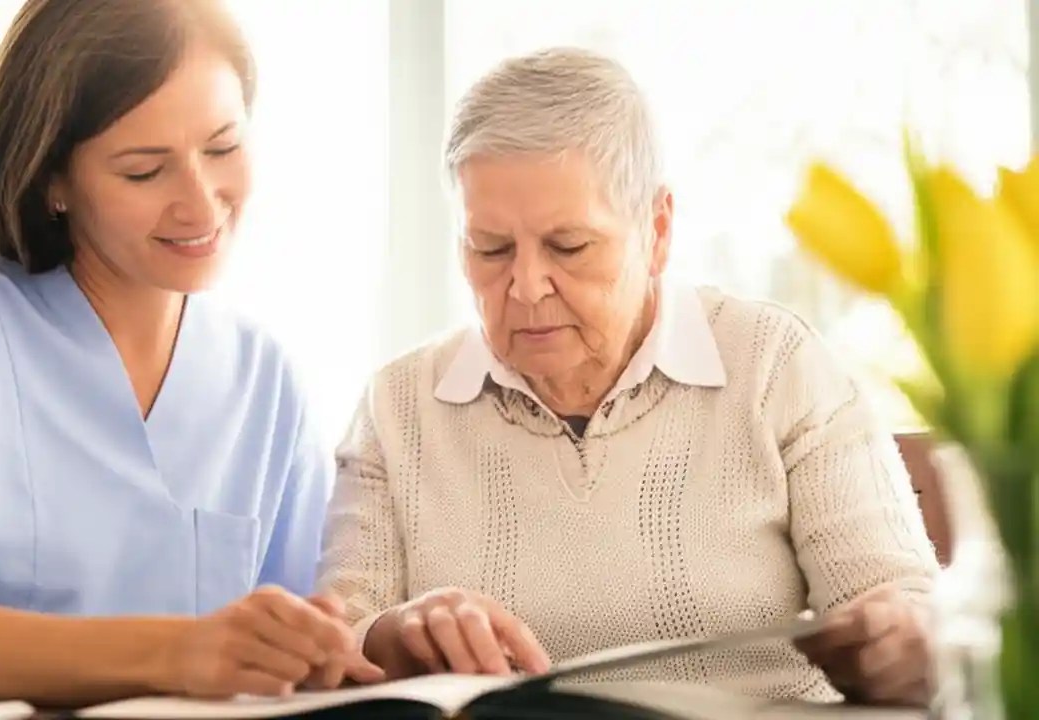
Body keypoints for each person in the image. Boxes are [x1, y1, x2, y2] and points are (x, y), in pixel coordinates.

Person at [0, 0, 380, 704]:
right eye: (143, 170)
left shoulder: (263, 378)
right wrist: (178, 652)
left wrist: (375, 635)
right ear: (52, 180)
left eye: (221, 147)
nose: (200, 202)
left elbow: (296, 644)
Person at [318, 47, 940, 706]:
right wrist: (391, 635)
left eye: (569, 246)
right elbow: (333, 650)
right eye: (490, 249)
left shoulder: (776, 365)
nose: (526, 287)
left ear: (658, 229)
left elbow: (907, 609)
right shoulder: (397, 406)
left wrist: (904, 643)